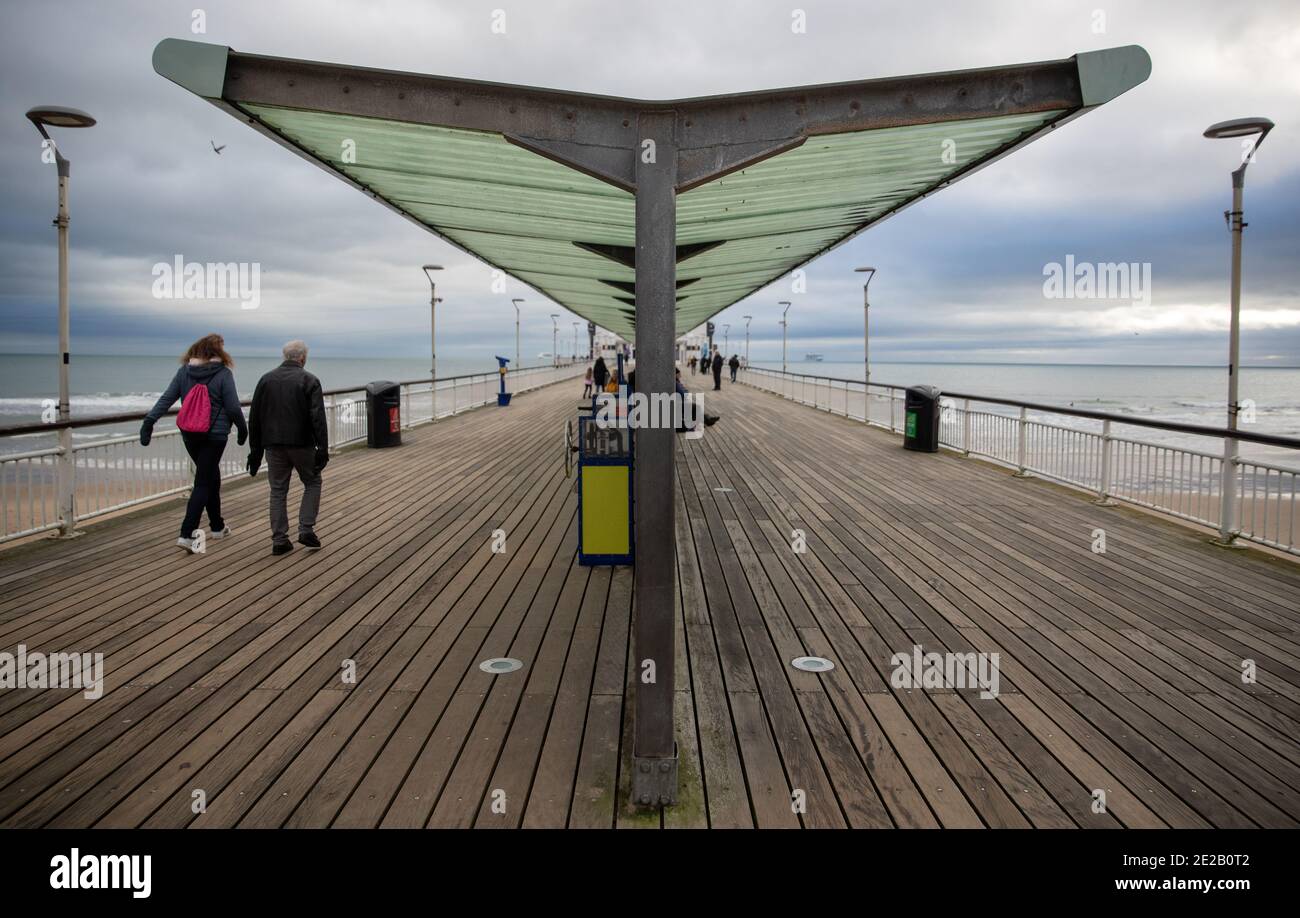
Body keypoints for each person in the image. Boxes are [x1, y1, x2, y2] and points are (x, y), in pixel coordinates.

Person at [140, 333, 247, 553]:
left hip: (190, 434)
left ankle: (217, 526)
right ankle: (187, 534)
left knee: (210, 476)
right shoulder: (224, 374)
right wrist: (242, 428)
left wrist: (150, 421)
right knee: (203, 482)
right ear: (218, 351)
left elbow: (167, 398)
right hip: (215, 436)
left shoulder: (184, 372)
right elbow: (233, 407)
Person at [246, 340, 329, 556]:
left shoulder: (266, 380)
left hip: (273, 445)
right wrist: (323, 449)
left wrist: (255, 451)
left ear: (285, 356)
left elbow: (255, 418)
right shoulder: (309, 380)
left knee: (278, 490)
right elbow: (318, 418)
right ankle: (306, 529)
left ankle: (280, 539)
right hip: (303, 444)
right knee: (312, 482)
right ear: (303, 358)